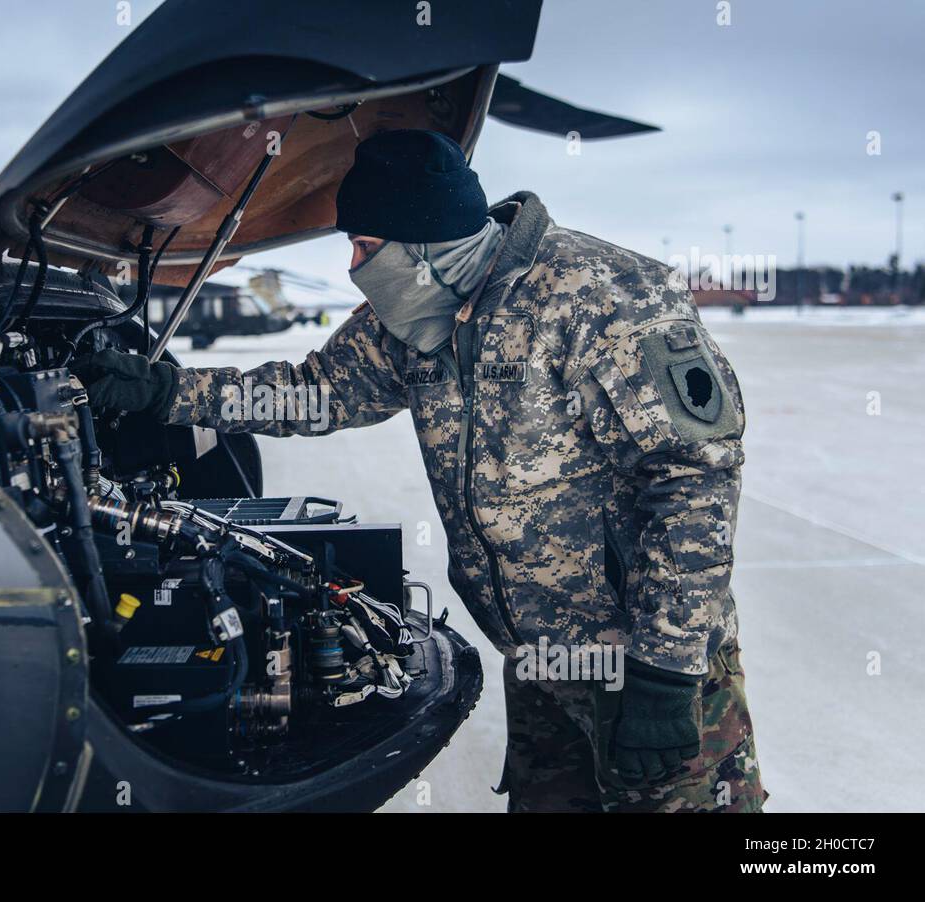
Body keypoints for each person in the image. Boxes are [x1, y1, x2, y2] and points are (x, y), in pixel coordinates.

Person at [75, 129, 765, 812]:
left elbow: (691, 476)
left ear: (426, 240)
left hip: (643, 666)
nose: (354, 264)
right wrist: (167, 393)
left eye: (367, 246)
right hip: (539, 663)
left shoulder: (600, 295)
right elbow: (319, 390)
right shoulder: (415, 314)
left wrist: (666, 670)